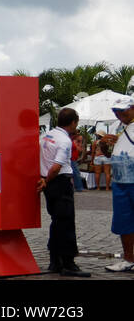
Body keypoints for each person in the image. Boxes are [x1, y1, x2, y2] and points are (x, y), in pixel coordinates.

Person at [39, 107, 89, 277]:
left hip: (49, 183)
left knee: (56, 221)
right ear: (73, 122)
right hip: (59, 181)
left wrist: (44, 180)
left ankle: (55, 261)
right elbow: (56, 166)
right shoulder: (65, 141)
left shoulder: (46, 136)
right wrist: (48, 179)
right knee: (66, 222)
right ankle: (68, 263)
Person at [104, 96, 134, 272]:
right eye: (115, 111)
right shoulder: (122, 128)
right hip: (120, 182)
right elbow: (110, 156)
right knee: (123, 222)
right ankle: (129, 259)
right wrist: (107, 146)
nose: (119, 114)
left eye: (122, 110)